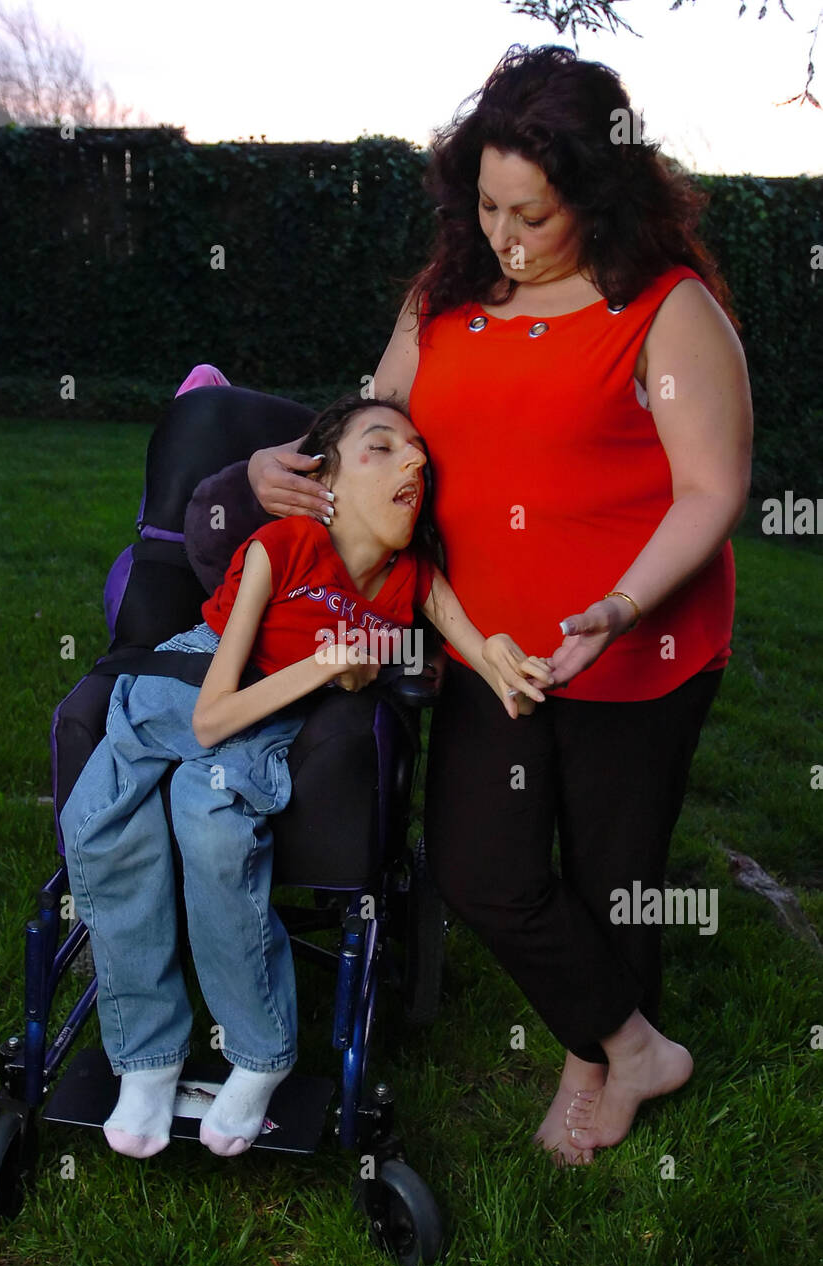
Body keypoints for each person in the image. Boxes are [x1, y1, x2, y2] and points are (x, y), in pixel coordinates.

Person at [246, 45, 753, 1165]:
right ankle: (634, 1043)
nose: (505, 237)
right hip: (489, 641)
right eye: (485, 205)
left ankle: (597, 1062)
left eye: (532, 212)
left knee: (613, 879)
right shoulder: (447, 299)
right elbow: (380, 419)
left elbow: (714, 486)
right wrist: (281, 469)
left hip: (641, 649)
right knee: (481, 868)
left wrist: (617, 608)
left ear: (599, 193)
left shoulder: (667, 311)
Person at [61, 392, 552, 1161]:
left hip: (265, 720)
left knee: (210, 827)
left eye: (418, 452)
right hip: (192, 684)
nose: (415, 461)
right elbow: (211, 717)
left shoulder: (409, 579)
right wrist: (327, 665)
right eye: (381, 448)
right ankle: (147, 1060)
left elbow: (462, 639)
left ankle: (259, 1054)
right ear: (325, 479)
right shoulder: (281, 546)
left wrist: (500, 663)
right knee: (104, 828)